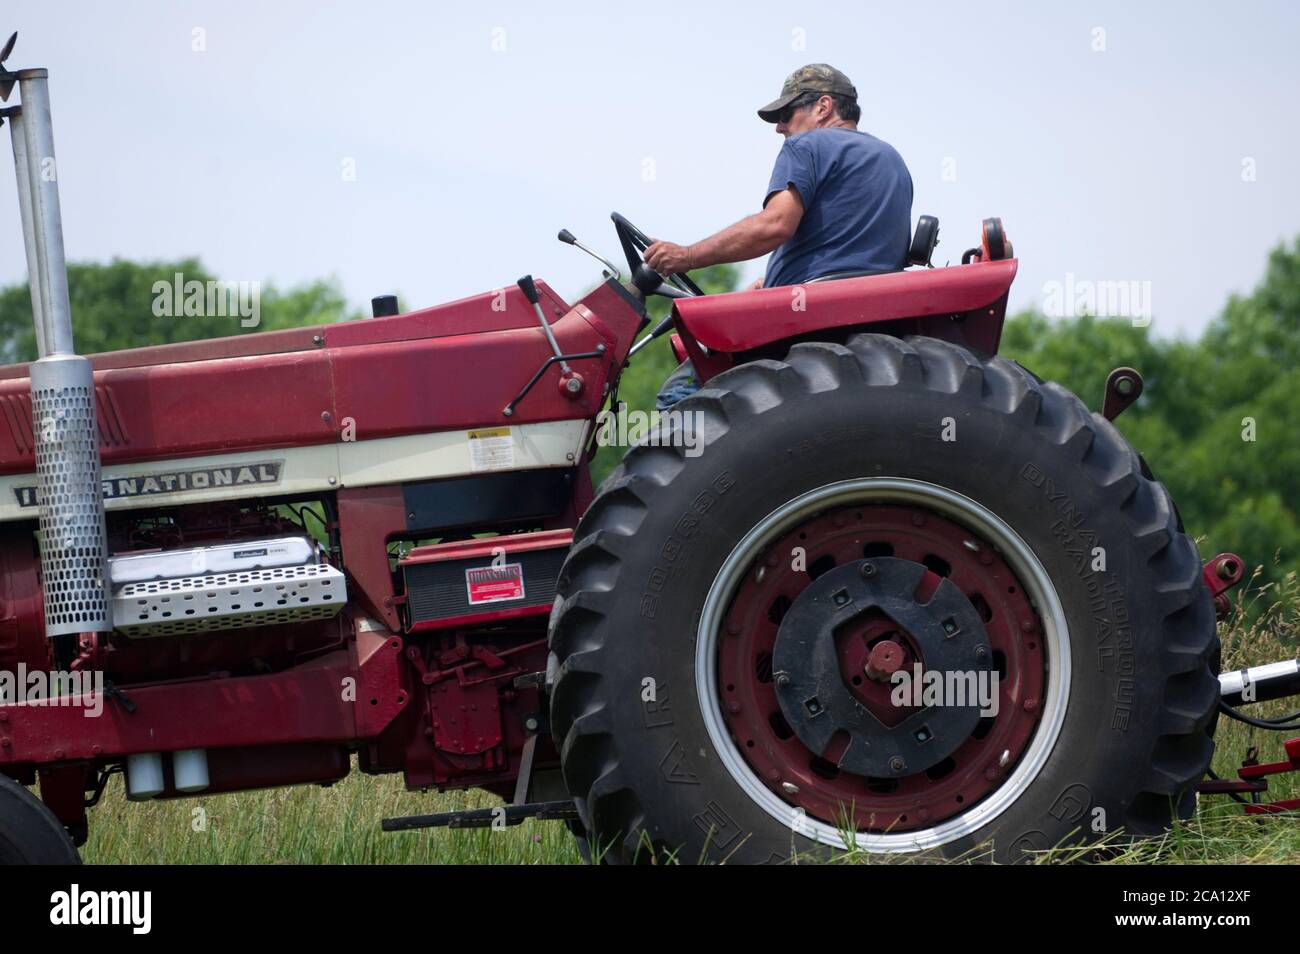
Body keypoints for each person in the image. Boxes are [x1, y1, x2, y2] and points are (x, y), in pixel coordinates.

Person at [646, 63, 914, 409]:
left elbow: (775, 225)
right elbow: (855, 245)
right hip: (866, 314)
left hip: (809, 316)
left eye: (788, 113)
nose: (780, 127)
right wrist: (775, 281)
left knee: (680, 394)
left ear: (823, 106)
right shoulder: (891, 158)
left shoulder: (808, 146)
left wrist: (687, 256)